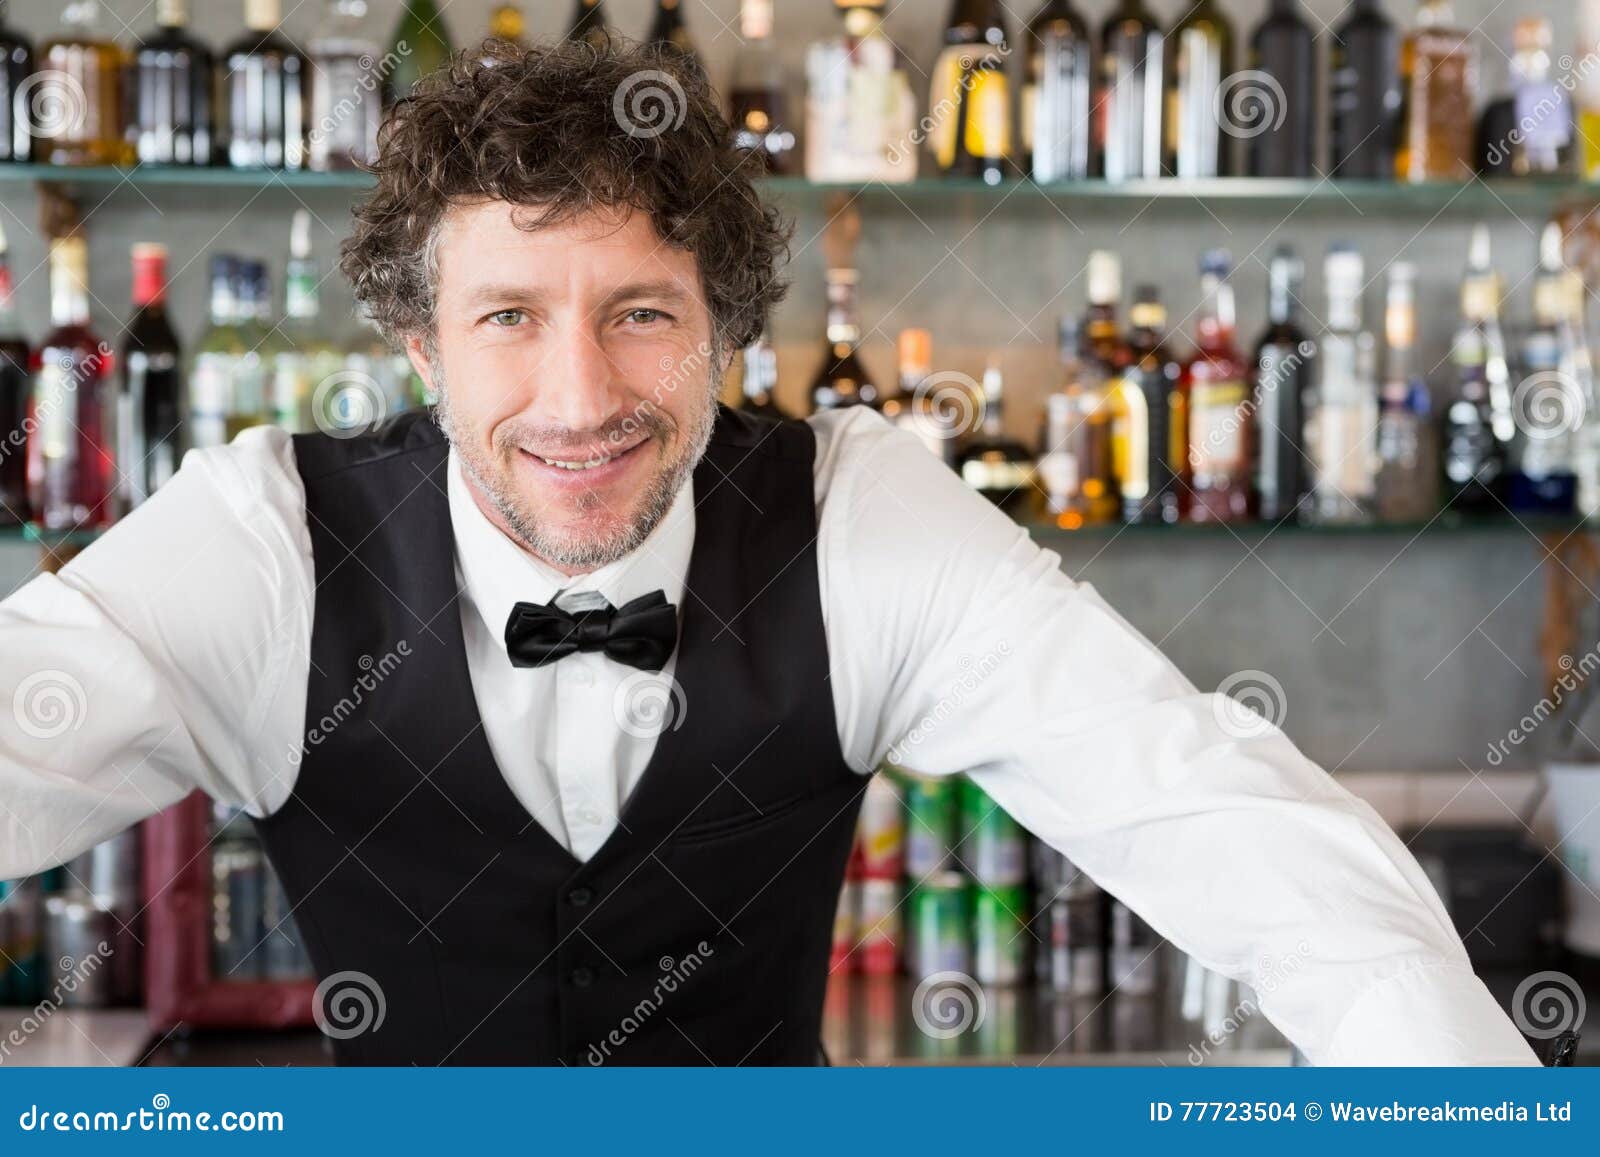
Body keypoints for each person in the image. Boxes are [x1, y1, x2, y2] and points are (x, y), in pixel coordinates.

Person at [0, 39, 1536, 1066]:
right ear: (421, 345)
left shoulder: (853, 518)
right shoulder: (274, 537)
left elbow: (1219, 814)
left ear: (729, 333)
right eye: (509, 316)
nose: (579, 398)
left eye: (641, 314)